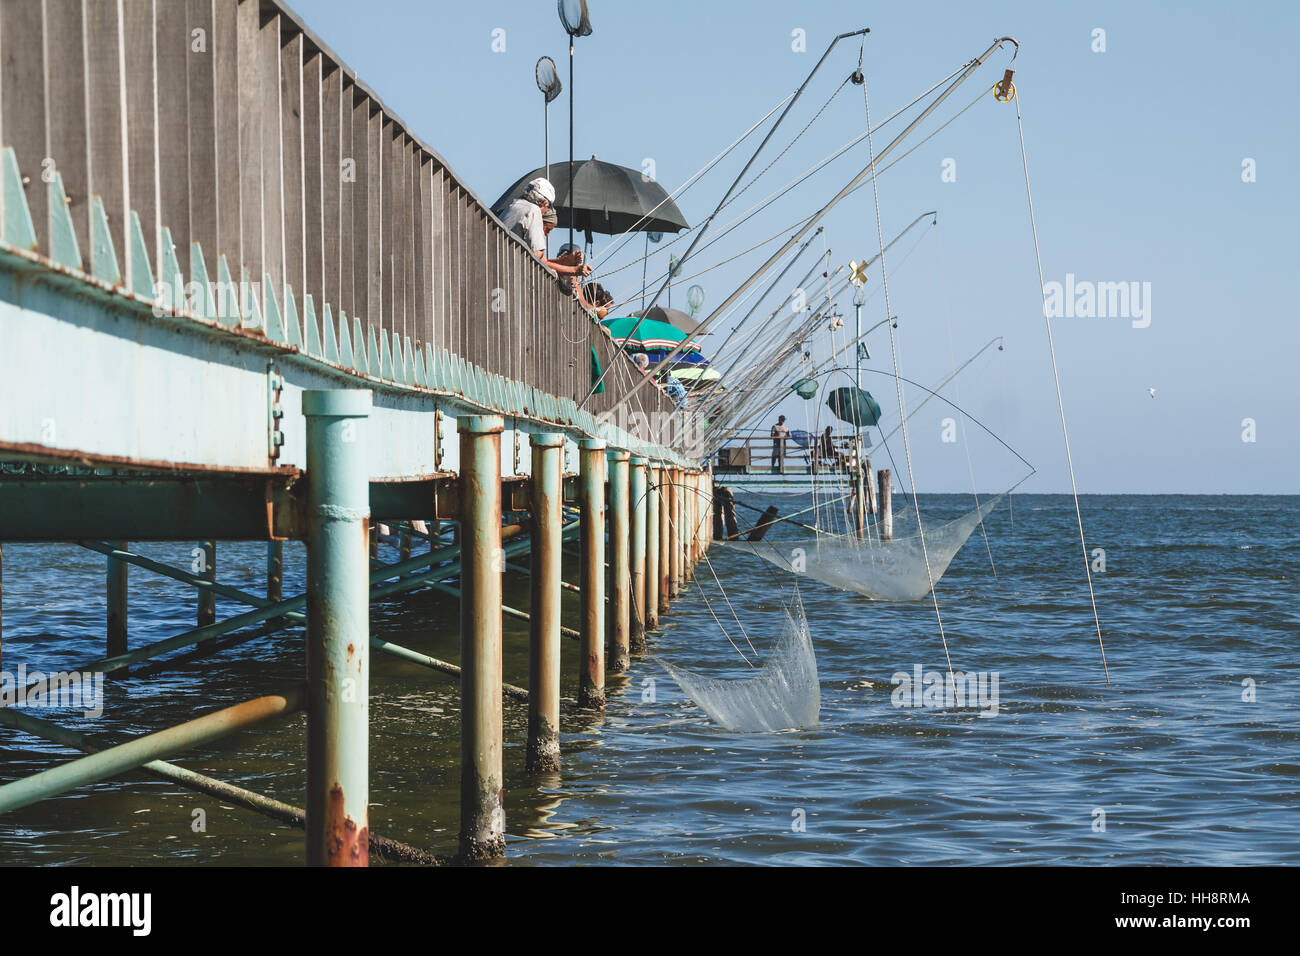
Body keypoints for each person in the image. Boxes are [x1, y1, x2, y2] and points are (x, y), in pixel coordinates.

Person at [500, 178, 591, 279]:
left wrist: (566, 262)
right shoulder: (533, 210)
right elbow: (537, 255)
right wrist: (574, 270)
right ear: (543, 203)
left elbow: (541, 260)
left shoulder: (514, 204)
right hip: (508, 273)